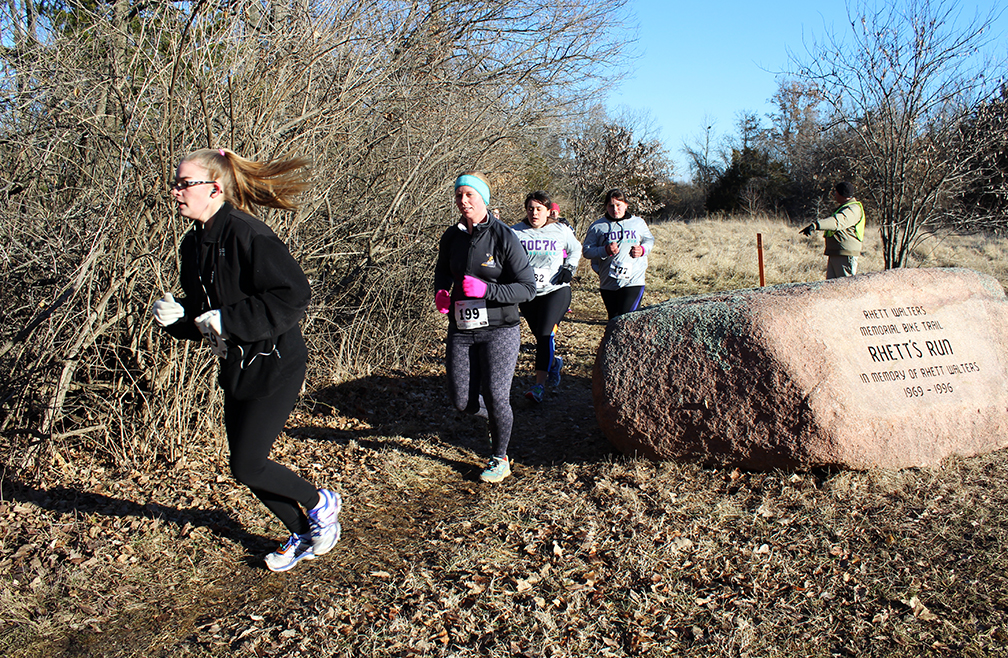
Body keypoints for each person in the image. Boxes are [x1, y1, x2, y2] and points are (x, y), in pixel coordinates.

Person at [151, 148, 342, 573]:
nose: (175, 191)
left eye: (184, 184)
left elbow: (294, 296)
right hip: (237, 366)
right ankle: (304, 530)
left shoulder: (248, 233)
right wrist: (180, 318)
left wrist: (229, 318)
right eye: (175, 183)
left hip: (276, 363)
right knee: (245, 466)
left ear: (214, 189)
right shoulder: (193, 243)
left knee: (248, 462)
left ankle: (319, 502)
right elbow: (208, 315)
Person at [433, 172, 536, 483]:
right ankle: (498, 420)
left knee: (495, 394)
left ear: (483, 199)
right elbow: (442, 271)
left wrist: (486, 290)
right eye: (459, 195)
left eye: (469, 195)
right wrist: (441, 291)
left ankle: (499, 457)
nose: (463, 201)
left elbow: (527, 289)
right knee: (461, 401)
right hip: (462, 328)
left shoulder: (504, 237)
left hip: (500, 328)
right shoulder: (451, 237)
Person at [511, 191, 581, 403]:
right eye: (530, 209)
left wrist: (569, 268)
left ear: (548, 211)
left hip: (556, 290)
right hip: (529, 294)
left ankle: (539, 387)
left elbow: (576, 248)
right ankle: (553, 364)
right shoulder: (515, 232)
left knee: (544, 334)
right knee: (541, 338)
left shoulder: (560, 230)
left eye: (539, 209)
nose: (534, 213)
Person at [582, 188, 655, 319]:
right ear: (606, 207)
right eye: (611, 206)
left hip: (634, 280)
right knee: (614, 320)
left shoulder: (638, 223)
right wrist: (604, 250)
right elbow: (587, 251)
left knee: (627, 318)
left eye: (618, 205)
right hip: (608, 281)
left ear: (626, 205)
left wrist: (642, 249)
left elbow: (649, 240)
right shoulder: (597, 226)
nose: (615, 209)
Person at [800, 182, 865, 279]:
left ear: (840, 193)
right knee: (832, 289)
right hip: (837, 252)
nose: (834, 195)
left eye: (836, 192)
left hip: (845, 255)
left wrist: (816, 225)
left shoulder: (852, 209)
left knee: (844, 288)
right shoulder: (846, 207)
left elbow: (836, 222)